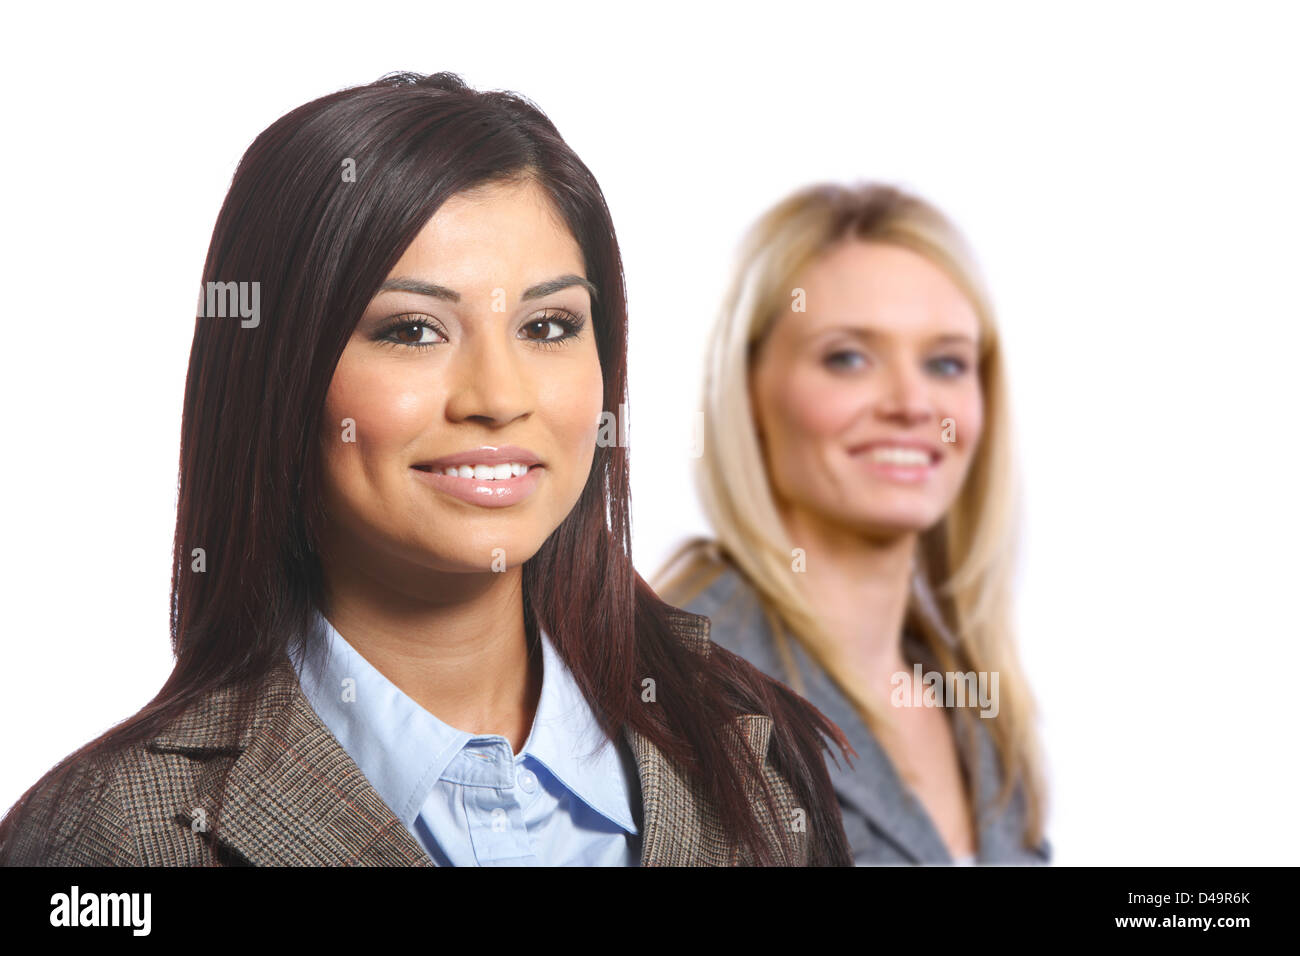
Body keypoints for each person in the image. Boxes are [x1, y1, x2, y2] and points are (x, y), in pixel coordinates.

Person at [0, 72, 853, 867]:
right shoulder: (113, 835)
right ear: (280, 373)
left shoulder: (749, 754)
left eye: (549, 326)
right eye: (411, 330)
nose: (498, 397)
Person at [656, 182, 1050, 864]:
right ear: (748, 392)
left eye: (946, 362)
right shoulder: (691, 690)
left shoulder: (973, 700)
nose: (912, 402)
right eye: (848, 357)